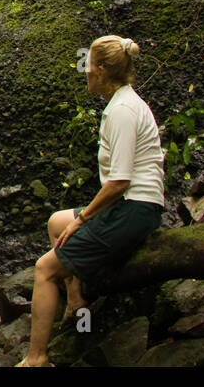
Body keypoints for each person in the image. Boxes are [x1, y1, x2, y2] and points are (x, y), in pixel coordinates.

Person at [17, 35, 165, 367]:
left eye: (88, 65)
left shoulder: (123, 112)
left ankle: (36, 358)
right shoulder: (122, 103)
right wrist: (78, 218)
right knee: (57, 221)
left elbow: (120, 181)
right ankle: (75, 301)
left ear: (100, 69)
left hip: (134, 209)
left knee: (44, 269)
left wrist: (83, 219)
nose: (84, 71)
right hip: (131, 204)